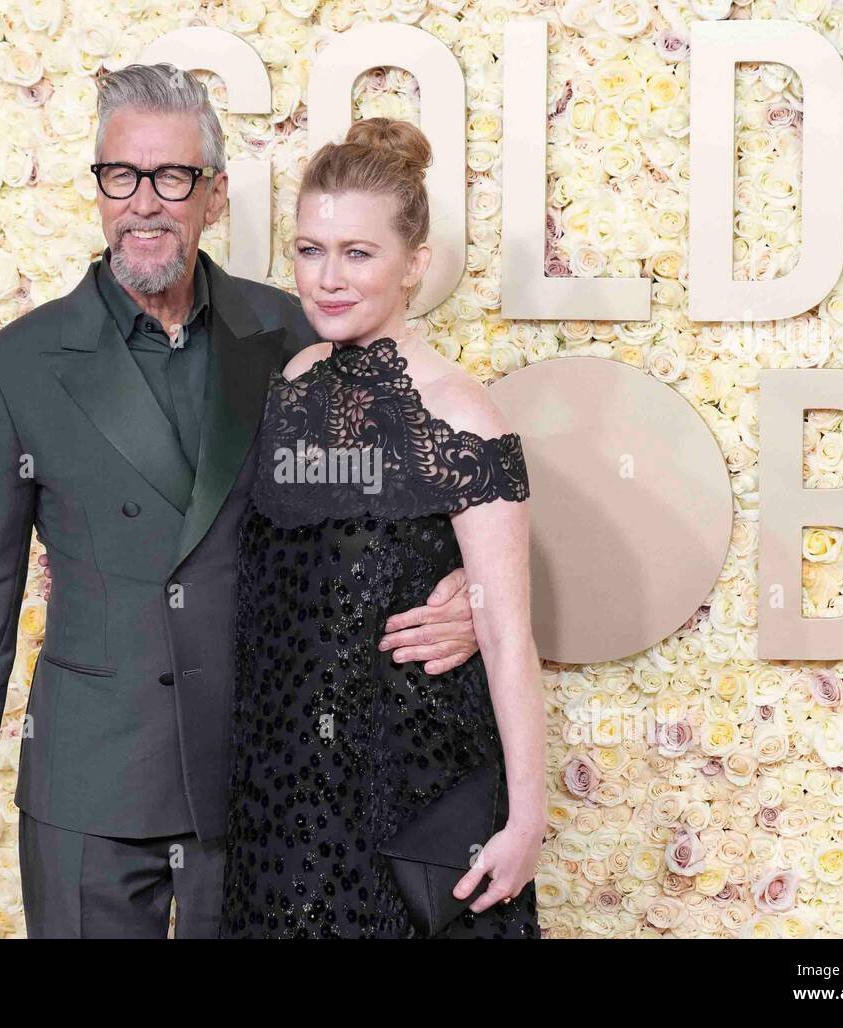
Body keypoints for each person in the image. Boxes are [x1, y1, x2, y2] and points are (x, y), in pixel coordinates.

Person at [0, 65, 483, 938]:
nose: (143, 203)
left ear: (212, 194)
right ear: (97, 188)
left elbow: (404, 502)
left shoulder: (292, 330)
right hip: (92, 784)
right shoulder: (16, 368)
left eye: (171, 178)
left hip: (262, 771)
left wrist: (472, 595)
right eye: (119, 177)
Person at [218, 118, 548, 938]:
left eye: (358, 253)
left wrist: (526, 821)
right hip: (280, 794)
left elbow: (508, 636)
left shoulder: (462, 413)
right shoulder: (290, 383)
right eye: (309, 250)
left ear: (415, 265)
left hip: (410, 793)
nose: (327, 279)